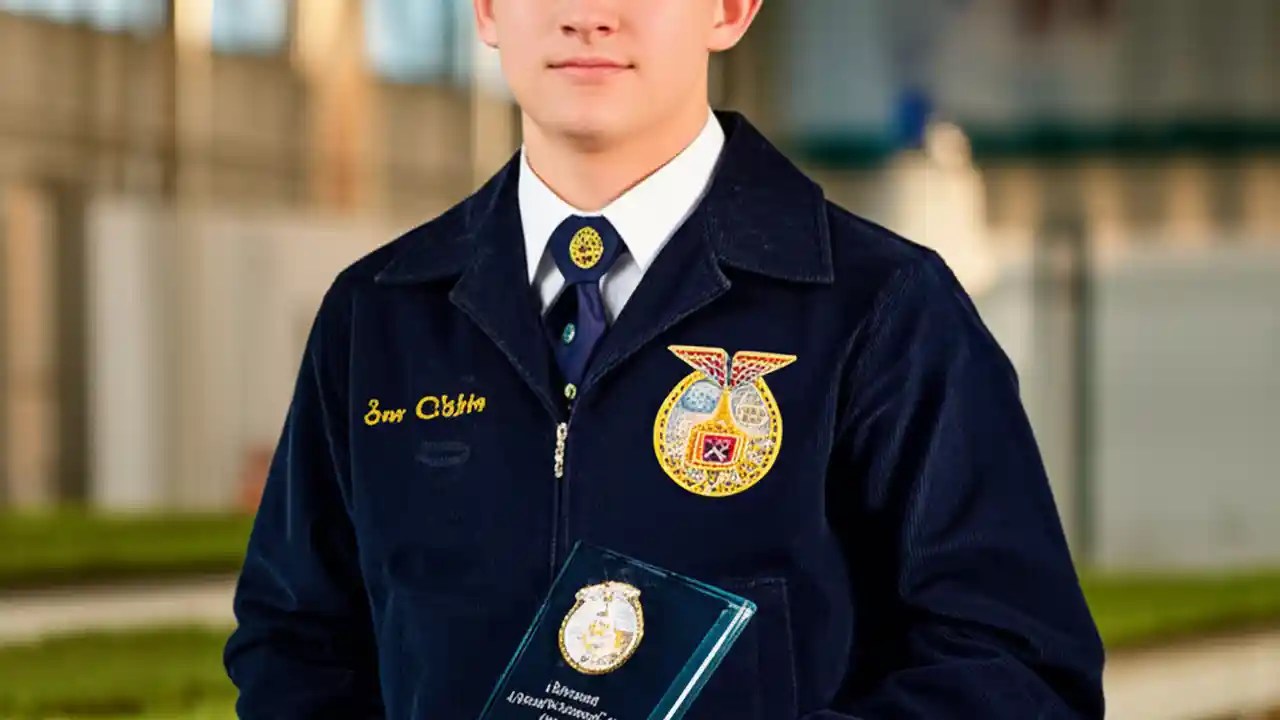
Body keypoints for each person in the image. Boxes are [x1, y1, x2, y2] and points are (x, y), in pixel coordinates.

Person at [223, 1, 1105, 718]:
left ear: (729, 8)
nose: (588, 17)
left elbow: (1019, 666)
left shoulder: (882, 313)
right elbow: (295, 644)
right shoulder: (377, 316)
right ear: (487, 9)